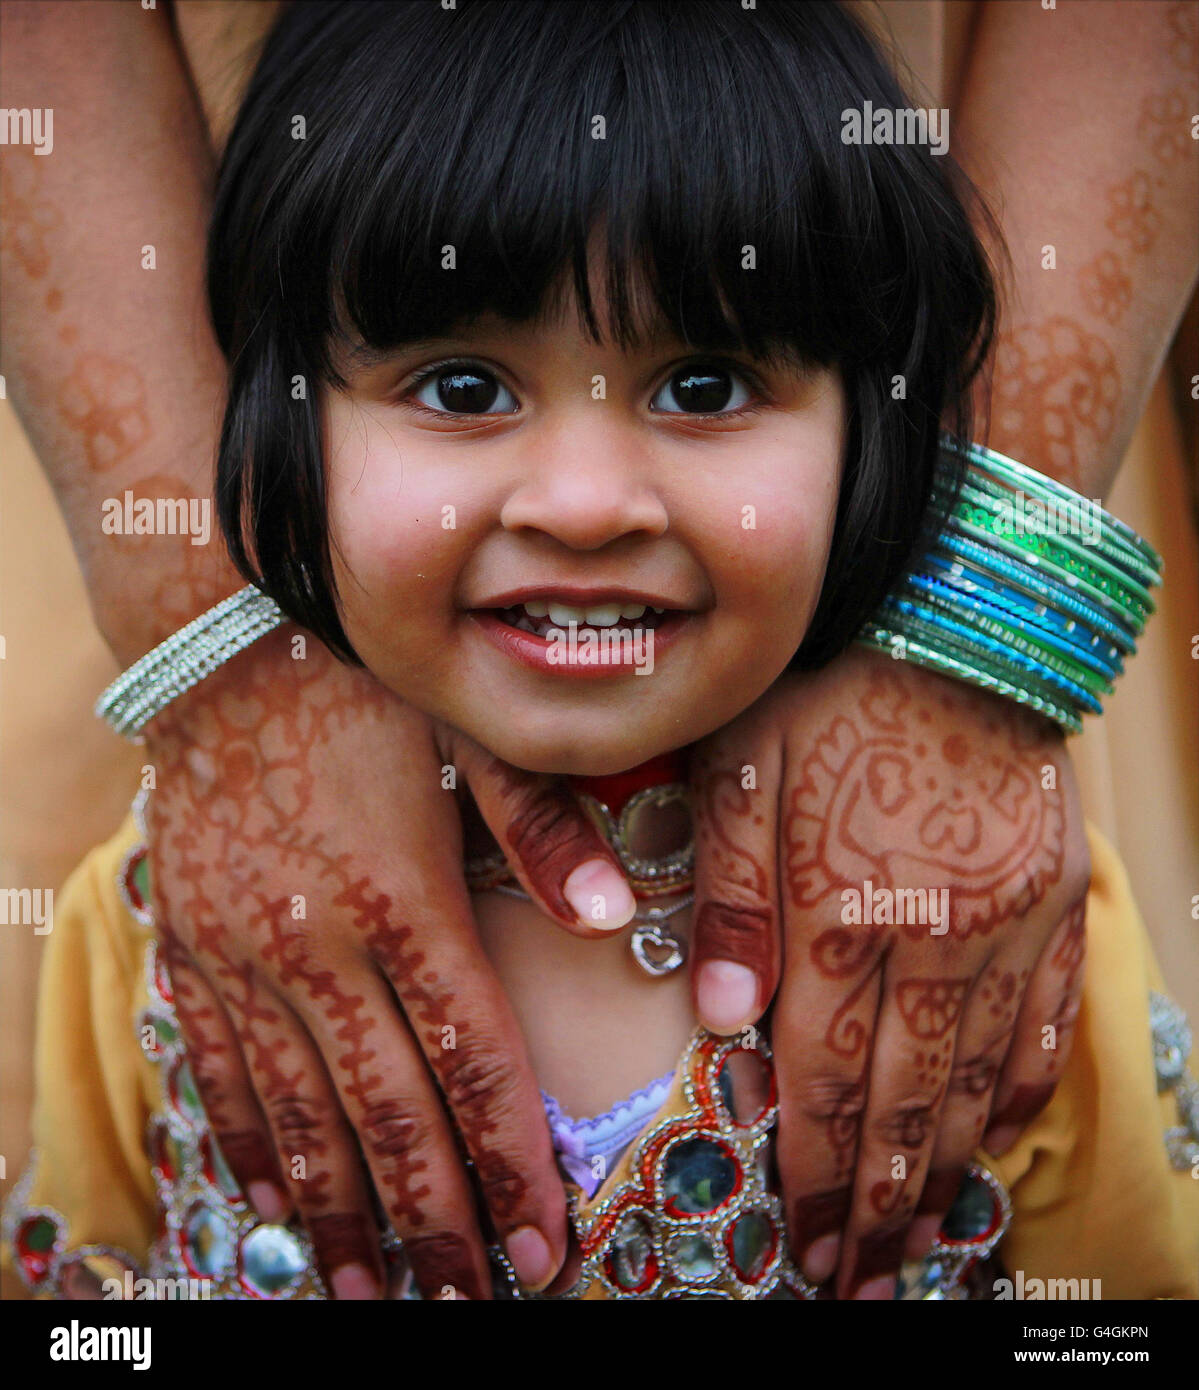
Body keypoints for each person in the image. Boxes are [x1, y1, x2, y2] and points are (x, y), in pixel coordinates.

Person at [3, 0, 1195, 1301]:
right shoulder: (139, 932)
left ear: (876, 421)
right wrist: (208, 629)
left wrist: (977, 618)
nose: (582, 501)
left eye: (703, 385)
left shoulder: (1027, 941)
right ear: (272, 415)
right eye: (464, 387)